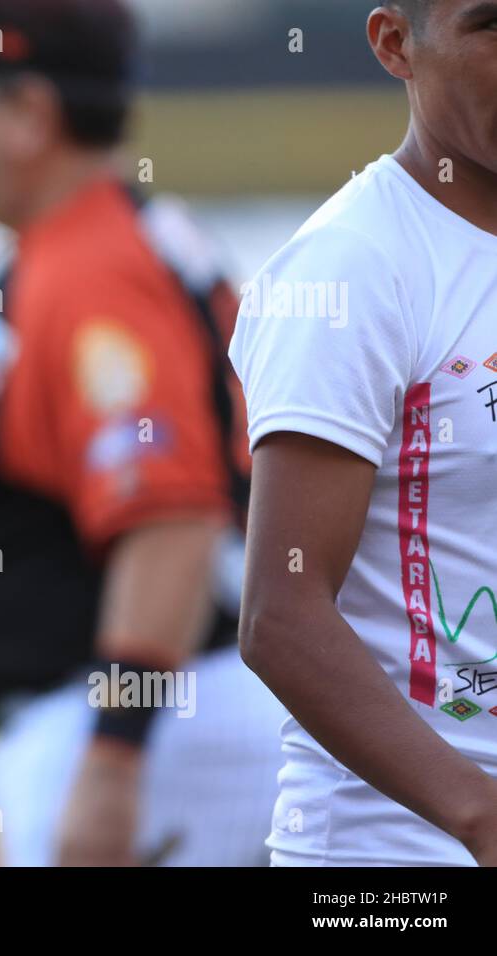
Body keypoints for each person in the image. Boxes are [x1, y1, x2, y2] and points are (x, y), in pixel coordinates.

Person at [0, 0, 286, 866]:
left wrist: (114, 761)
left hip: (152, 731)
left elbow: (169, 523)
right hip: (167, 713)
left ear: (28, 113)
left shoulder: (94, 268)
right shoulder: (100, 242)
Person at [230, 0, 497, 866]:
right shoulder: (354, 266)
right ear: (395, 45)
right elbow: (281, 613)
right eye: (493, 24)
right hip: (398, 855)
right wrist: (479, 814)